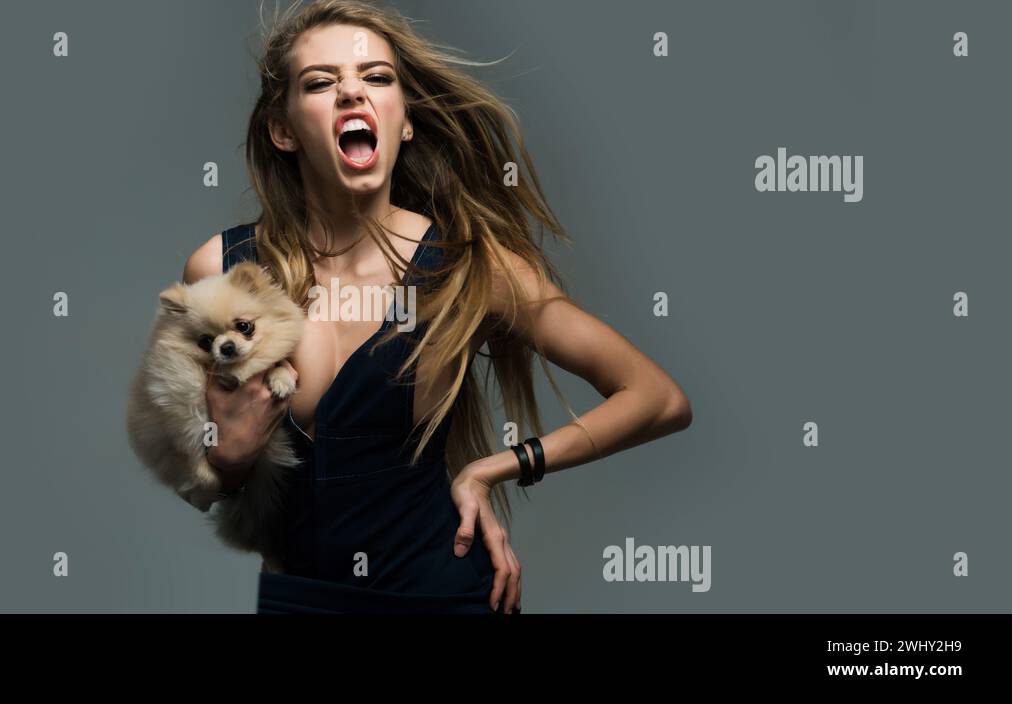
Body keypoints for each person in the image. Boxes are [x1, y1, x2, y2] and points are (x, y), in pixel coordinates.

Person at [180, 0, 692, 613]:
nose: (351, 93)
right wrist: (226, 460)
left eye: (376, 78)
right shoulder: (220, 273)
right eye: (320, 82)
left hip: (442, 595)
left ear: (405, 122)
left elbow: (657, 398)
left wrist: (494, 469)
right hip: (297, 599)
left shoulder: (469, 264)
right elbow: (201, 476)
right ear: (283, 129)